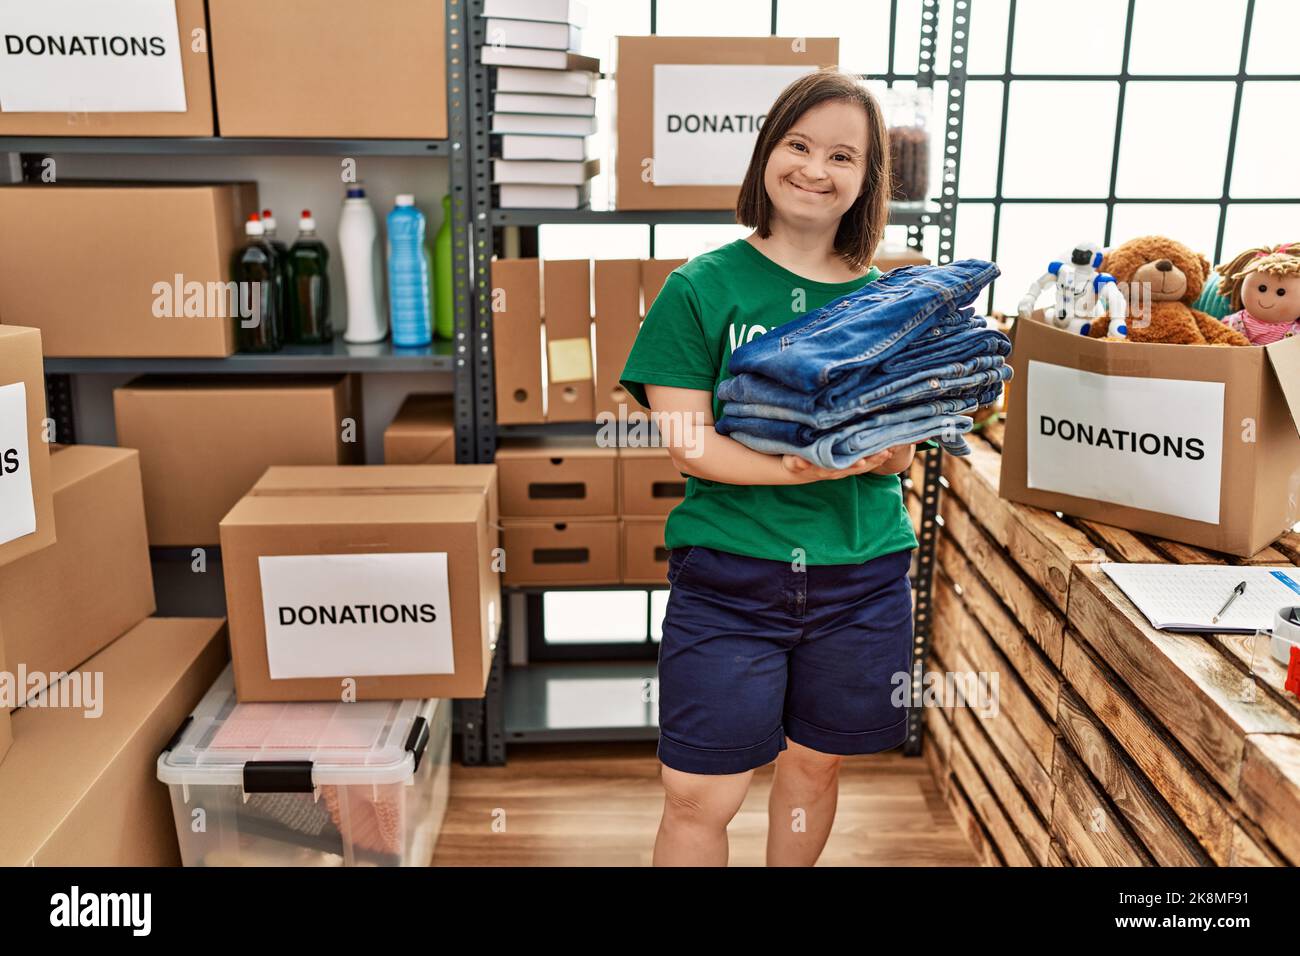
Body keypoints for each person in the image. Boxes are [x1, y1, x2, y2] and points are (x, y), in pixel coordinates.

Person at [618, 69, 924, 867]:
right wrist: (811, 470)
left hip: (860, 575)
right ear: (766, 154)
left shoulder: (891, 302)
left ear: (866, 180)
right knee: (699, 790)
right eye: (798, 145)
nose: (816, 169)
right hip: (730, 576)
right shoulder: (701, 287)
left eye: (842, 156)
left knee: (815, 766)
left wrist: (885, 448)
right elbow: (687, 439)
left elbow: (901, 448)